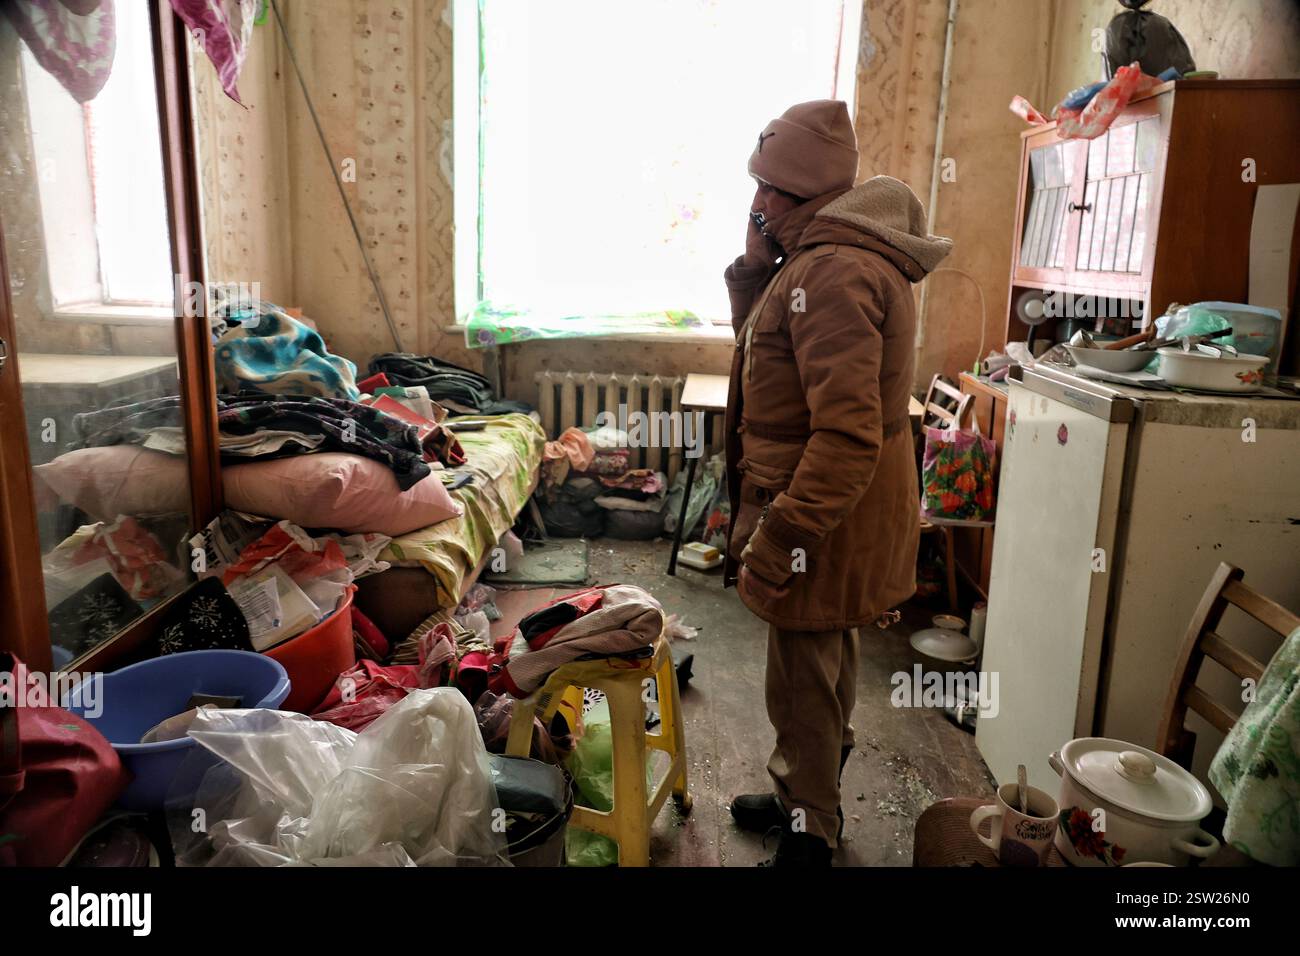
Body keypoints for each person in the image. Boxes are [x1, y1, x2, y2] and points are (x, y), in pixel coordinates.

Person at [722, 99, 952, 866]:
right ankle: (805, 793)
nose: (756, 204)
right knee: (823, 655)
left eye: (769, 191)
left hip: (822, 513)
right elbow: (773, 356)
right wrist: (756, 271)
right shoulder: (817, 260)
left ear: (809, 195)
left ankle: (810, 827)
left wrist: (782, 531)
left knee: (803, 676)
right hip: (840, 508)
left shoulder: (831, 271)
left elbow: (845, 432)